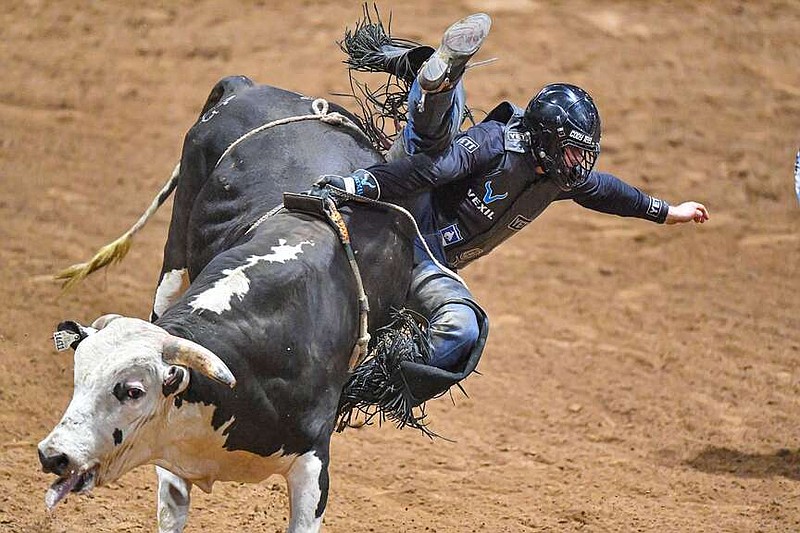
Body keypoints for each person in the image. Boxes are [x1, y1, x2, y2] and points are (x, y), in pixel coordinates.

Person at [320, 13, 709, 405]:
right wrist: (363, 183)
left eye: (583, 153)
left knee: (464, 329)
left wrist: (667, 211)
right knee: (432, 141)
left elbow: (606, 190)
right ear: (546, 140)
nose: (579, 164)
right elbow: (432, 170)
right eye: (573, 151)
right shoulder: (496, 142)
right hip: (407, 210)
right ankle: (435, 82)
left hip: (431, 265)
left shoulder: (559, 177)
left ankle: (365, 386)